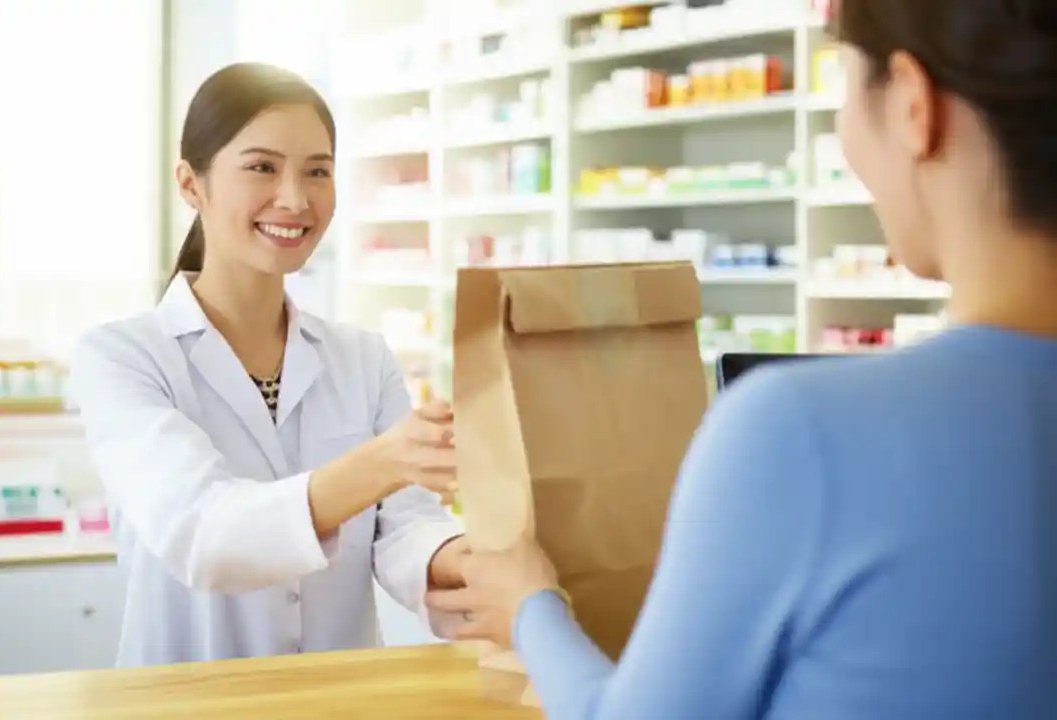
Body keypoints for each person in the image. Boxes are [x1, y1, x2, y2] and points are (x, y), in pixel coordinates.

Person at [429, 1, 1057, 717]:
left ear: (915, 106)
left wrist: (530, 608)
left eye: (845, 86)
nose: (845, 135)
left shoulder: (803, 430)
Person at [71, 63, 467, 667]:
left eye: (317, 171)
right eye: (262, 167)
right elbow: (205, 534)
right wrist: (387, 459)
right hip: (189, 706)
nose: (295, 198)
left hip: (341, 705)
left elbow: (405, 527)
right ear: (190, 184)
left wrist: (466, 562)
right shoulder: (124, 358)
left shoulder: (362, 357)